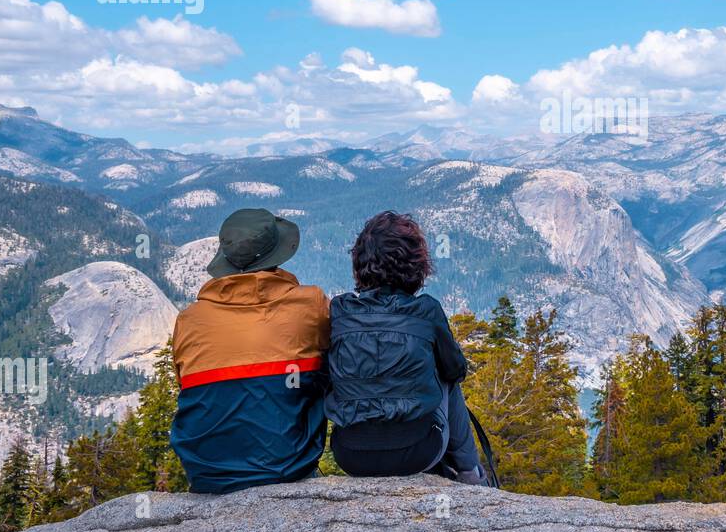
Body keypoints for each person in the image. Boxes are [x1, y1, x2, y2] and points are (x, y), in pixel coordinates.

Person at [170, 208, 330, 494]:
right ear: (277, 254)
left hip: (207, 474)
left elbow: (189, 388)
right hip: (287, 468)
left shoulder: (189, 320)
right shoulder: (311, 304)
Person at [326, 211, 489, 484]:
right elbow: (456, 370)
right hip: (419, 450)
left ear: (359, 262)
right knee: (446, 375)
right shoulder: (426, 311)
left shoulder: (340, 312)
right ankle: (469, 473)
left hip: (351, 453)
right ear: (417, 265)